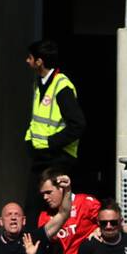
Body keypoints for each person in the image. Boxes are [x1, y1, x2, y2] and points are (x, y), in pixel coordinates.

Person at [25, 40, 85, 186]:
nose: (27, 61)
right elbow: (37, 120)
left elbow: (78, 125)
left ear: (39, 62)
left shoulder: (62, 86)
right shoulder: (39, 84)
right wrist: (29, 141)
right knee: (34, 206)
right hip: (41, 156)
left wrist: (52, 143)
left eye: (30, 57)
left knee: (48, 204)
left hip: (58, 158)